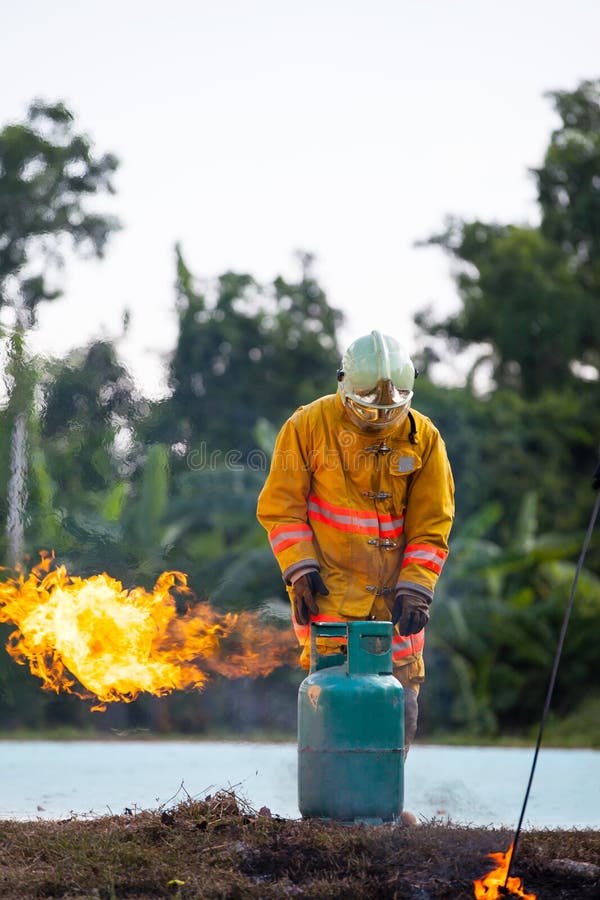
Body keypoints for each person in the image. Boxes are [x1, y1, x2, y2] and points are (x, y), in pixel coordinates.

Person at [256, 330, 454, 752]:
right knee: (332, 704)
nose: (380, 419)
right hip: (328, 601)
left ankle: (381, 802)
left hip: (396, 609)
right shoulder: (307, 427)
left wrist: (417, 589)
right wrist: (300, 570)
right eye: (369, 409)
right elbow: (281, 507)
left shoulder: (425, 439)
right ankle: (334, 805)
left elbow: (432, 525)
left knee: (400, 708)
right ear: (343, 385)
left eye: (390, 411)